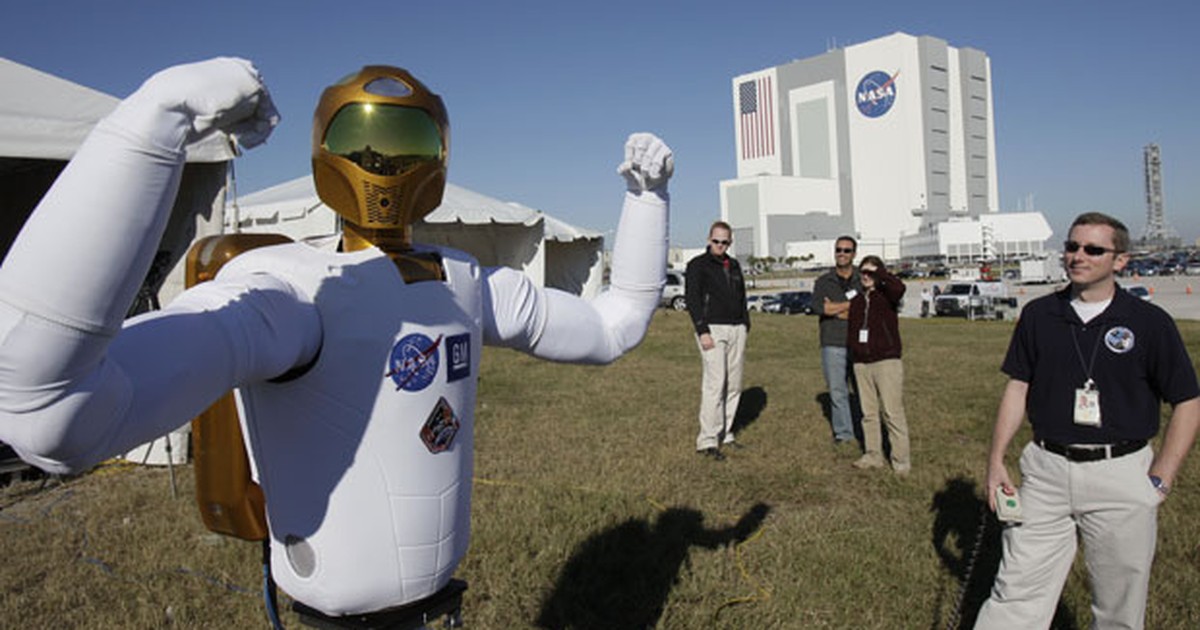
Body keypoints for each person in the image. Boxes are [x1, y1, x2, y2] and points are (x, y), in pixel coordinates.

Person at [0, 58, 674, 617]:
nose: (385, 166)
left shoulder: (462, 283)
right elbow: (47, 415)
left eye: (407, 145)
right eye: (367, 144)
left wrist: (647, 201)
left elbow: (614, 327)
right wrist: (151, 128)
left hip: (439, 602)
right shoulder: (291, 290)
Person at [975, 212, 1200, 629]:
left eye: (1093, 249)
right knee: (1015, 591)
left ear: (1120, 261)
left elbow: (1188, 401)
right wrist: (995, 460)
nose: (1079, 256)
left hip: (1121, 473)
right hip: (1046, 470)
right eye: (1072, 246)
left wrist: (1162, 477)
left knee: (1118, 605)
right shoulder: (1040, 314)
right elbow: (1017, 389)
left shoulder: (1149, 323)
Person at [685, 221, 750, 461]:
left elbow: (742, 296)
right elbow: (692, 298)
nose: (720, 246)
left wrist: (745, 323)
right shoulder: (697, 265)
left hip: (737, 329)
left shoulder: (733, 265)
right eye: (716, 241)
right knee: (715, 383)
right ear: (708, 239)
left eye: (725, 242)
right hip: (712, 328)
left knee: (734, 384)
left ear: (730, 243)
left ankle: (726, 433)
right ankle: (707, 440)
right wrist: (702, 330)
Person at [846, 256, 910, 474]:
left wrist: (880, 275)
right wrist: (854, 351)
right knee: (869, 413)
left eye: (870, 272)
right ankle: (873, 454)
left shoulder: (887, 295)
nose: (866, 276)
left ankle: (900, 460)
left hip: (886, 361)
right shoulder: (856, 300)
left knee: (892, 412)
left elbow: (899, 288)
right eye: (862, 272)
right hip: (861, 363)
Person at [812, 236, 863, 446]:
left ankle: (865, 429)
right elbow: (818, 308)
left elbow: (867, 309)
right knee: (838, 391)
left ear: (854, 253)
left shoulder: (863, 278)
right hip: (832, 341)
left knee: (863, 389)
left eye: (846, 250)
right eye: (838, 250)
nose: (842, 254)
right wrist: (850, 307)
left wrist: (835, 308)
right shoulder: (824, 281)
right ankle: (844, 434)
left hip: (860, 342)